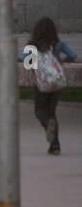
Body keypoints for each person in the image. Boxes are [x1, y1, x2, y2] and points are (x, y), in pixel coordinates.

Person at [23, 17, 76, 155]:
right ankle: (55, 146)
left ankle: (48, 127)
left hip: (41, 83)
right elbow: (73, 55)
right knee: (52, 113)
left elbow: (28, 64)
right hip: (57, 83)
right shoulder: (58, 44)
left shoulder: (31, 45)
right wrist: (61, 61)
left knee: (40, 111)